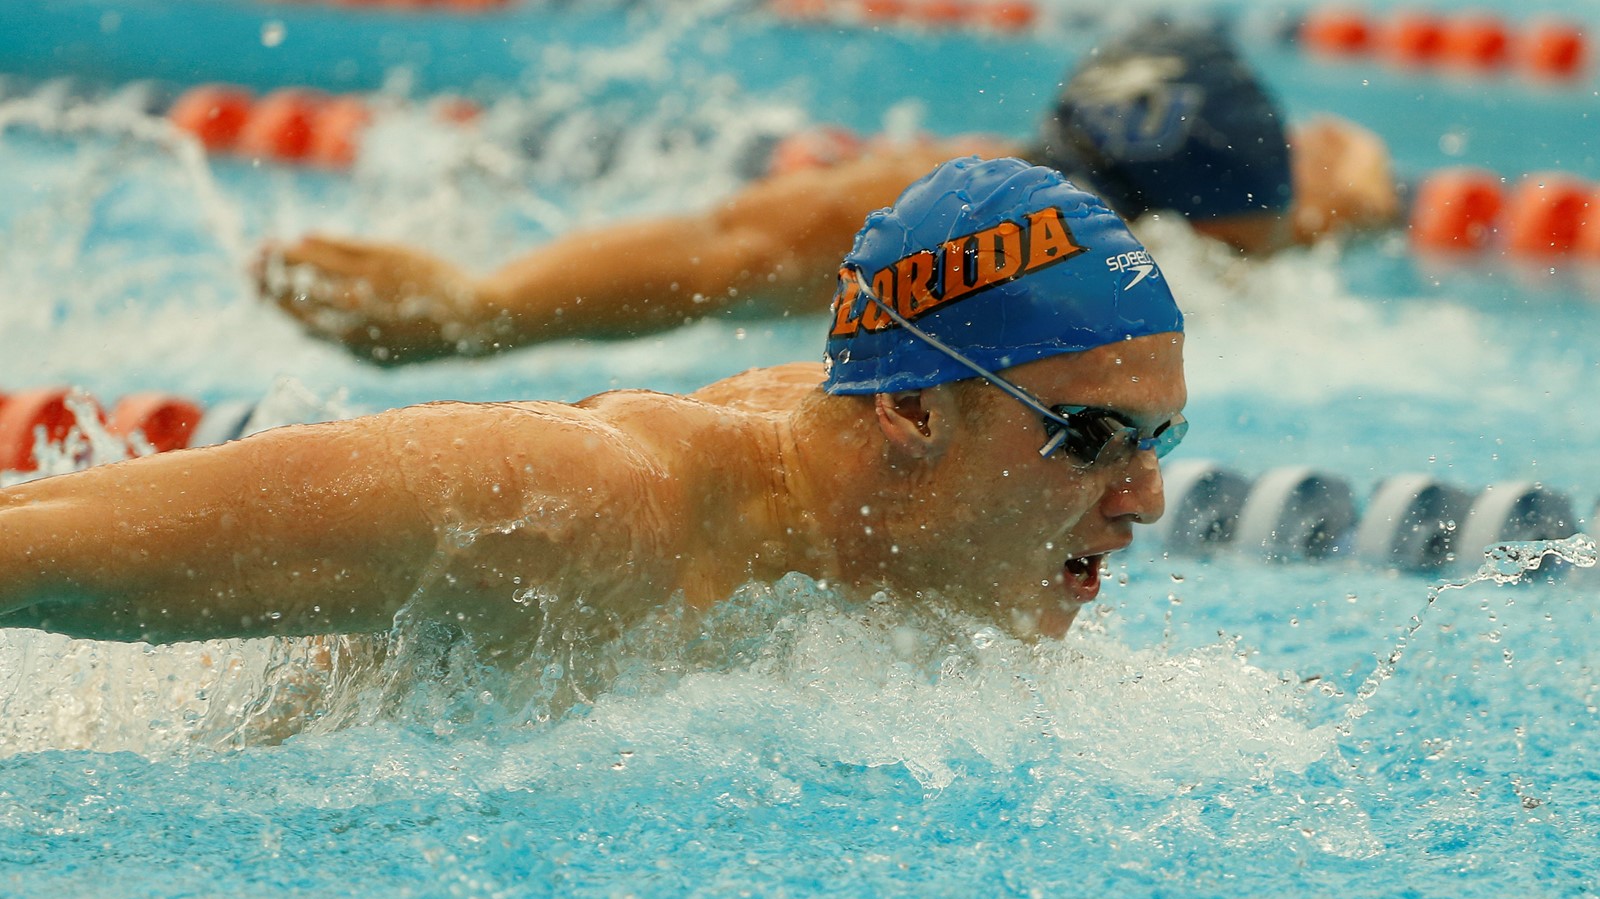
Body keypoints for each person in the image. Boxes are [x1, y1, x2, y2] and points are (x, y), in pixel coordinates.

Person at [2, 157, 1185, 660]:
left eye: (1159, 436)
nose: (1146, 498)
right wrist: (469, 309)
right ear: (917, 415)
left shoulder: (923, 551)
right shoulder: (573, 505)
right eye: (1092, 437)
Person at [258, 21, 1397, 367]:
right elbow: (721, 247)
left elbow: (1348, 161)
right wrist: (479, 309)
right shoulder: (957, 206)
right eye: (1238, 239)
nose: (1267, 250)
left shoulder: (1293, 201)